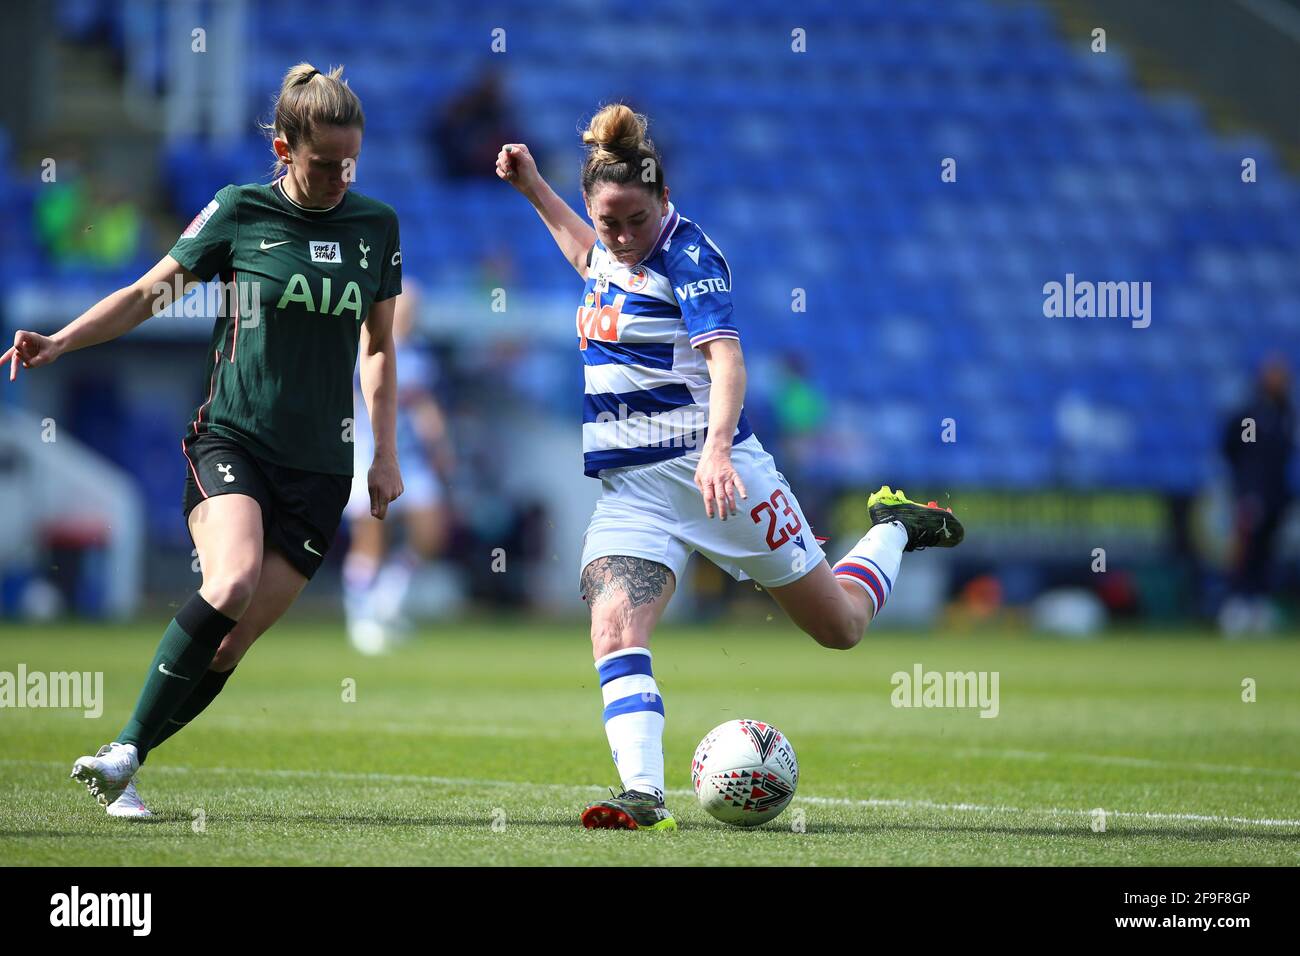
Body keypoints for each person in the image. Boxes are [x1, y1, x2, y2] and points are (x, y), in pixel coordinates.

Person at [496, 104, 965, 831]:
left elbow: (728, 361)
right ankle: (644, 797)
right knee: (615, 632)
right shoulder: (609, 252)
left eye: (634, 221)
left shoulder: (690, 257)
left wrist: (715, 449)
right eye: (608, 221)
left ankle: (896, 529)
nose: (620, 238)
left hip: (718, 477)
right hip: (633, 494)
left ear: (665, 202)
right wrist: (535, 190)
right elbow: (585, 255)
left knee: (839, 628)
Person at [3, 63, 404, 817]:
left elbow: (378, 347)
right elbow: (147, 294)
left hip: (322, 468)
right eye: (322, 164)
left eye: (351, 162)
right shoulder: (239, 211)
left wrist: (384, 453)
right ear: (284, 150)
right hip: (234, 438)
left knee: (229, 645)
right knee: (230, 582)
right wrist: (61, 341)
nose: (338, 178)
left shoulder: (374, 226)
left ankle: (127, 760)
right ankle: (122, 750)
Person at [342, 279, 453, 654]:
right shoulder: (363, 346)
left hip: (412, 460)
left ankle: (386, 603)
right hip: (367, 457)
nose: (411, 315)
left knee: (431, 533)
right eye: (406, 307)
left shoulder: (420, 354)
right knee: (370, 538)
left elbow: (423, 406)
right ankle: (360, 618)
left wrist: (439, 444)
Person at [1219, 355, 1295, 635]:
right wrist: (1246, 487)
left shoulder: (1286, 413)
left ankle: (1259, 604)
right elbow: (1230, 450)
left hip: (1277, 494)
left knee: (1267, 550)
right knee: (1246, 550)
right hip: (1252, 493)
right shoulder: (1249, 414)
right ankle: (1237, 604)